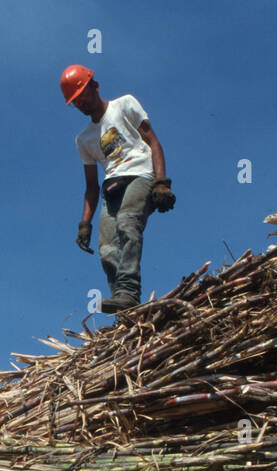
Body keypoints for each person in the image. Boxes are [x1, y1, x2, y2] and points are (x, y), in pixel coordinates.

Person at [62, 64, 174, 314]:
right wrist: (84, 223)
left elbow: (153, 142)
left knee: (127, 223)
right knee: (107, 247)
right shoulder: (83, 140)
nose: (81, 104)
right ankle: (126, 307)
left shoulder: (124, 104)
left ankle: (129, 292)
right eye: (75, 102)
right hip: (111, 185)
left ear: (95, 86)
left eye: (82, 97)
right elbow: (91, 187)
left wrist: (162, 182)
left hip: (141, 174)